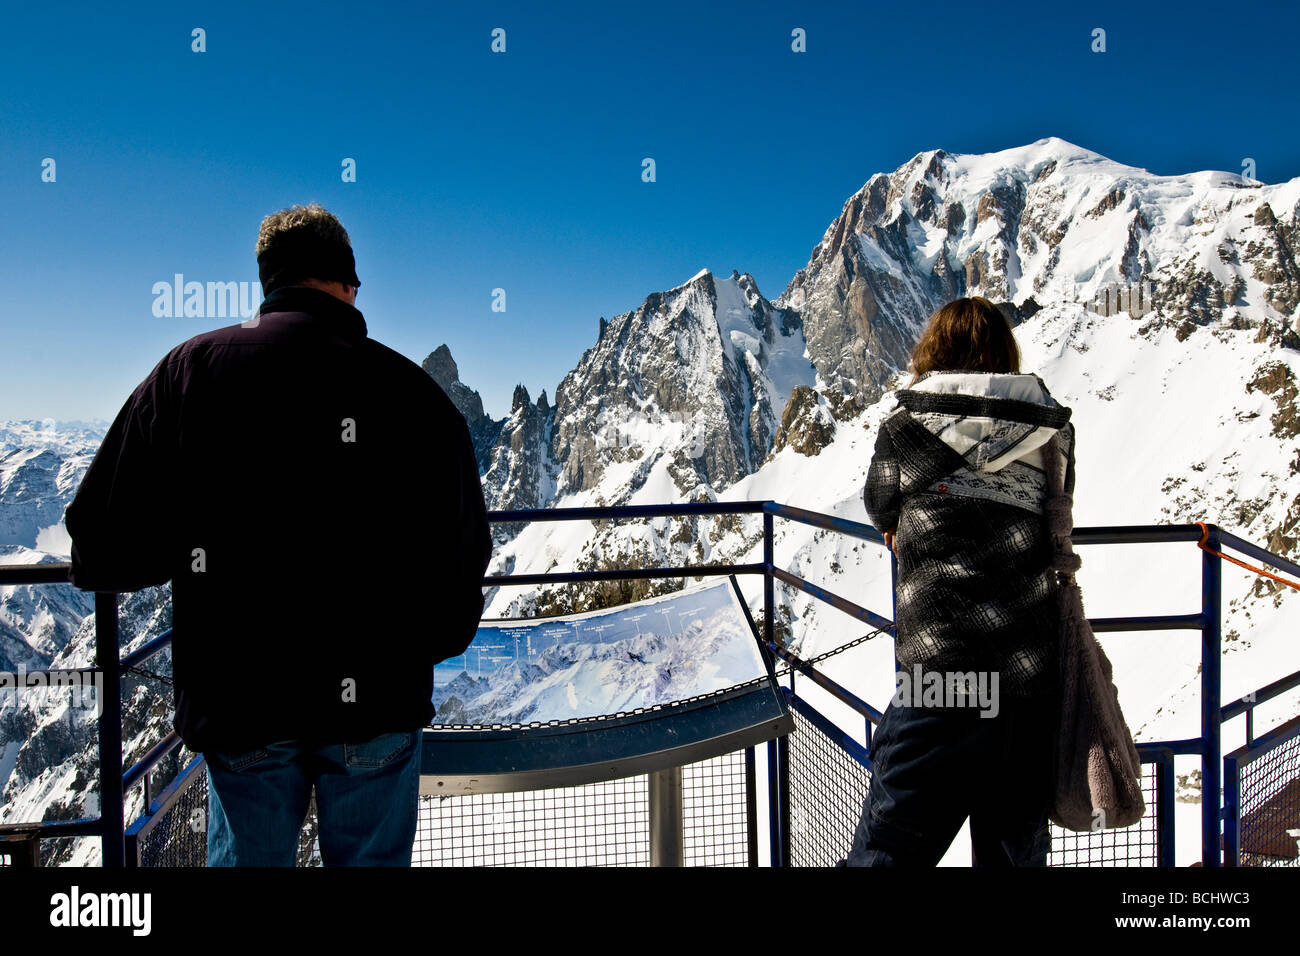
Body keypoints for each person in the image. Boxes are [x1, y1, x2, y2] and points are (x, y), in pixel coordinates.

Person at [65, 203, 492, 866]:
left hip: (242, 703)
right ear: (348, 283)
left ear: (267, 283)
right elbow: (461, 557)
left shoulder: (187, 373)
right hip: (375, 704)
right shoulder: (415, 393)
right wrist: (412, 654)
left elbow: (101, 544)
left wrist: (197, 546)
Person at [842, 296, 1074, 867]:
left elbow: (880, 503)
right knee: (1012, 856)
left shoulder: (905, 428)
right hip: (1026, 680)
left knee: (889, 851)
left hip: (940, 679)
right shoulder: (1053, 433)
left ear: (933, 352)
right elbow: (1059, 510)